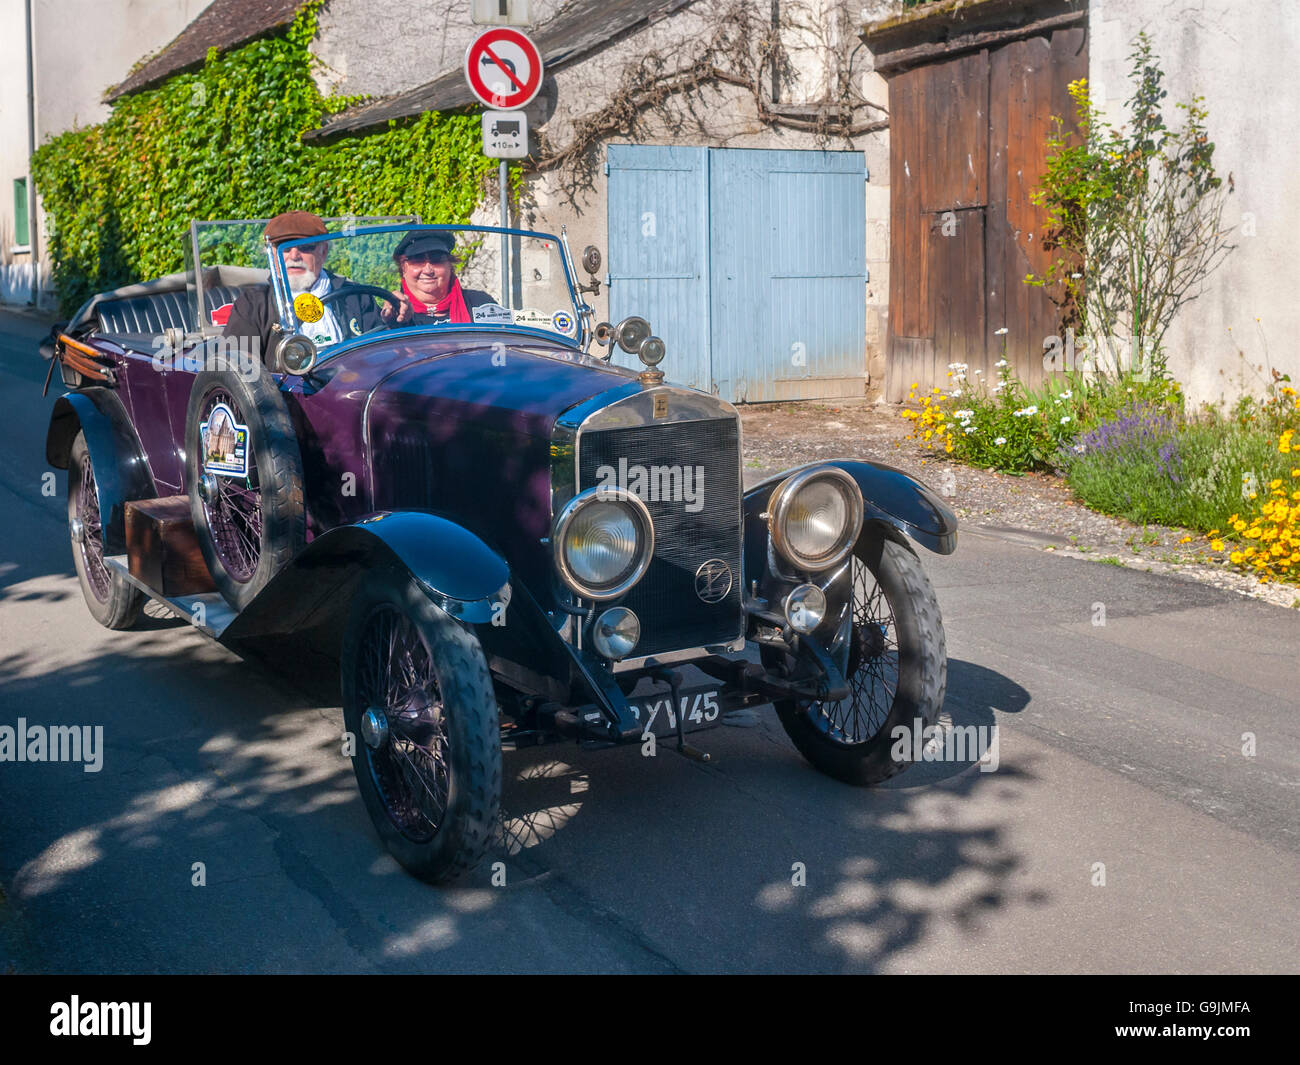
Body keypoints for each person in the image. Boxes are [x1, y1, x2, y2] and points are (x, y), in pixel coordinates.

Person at [223, 211, 384, 360]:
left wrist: (399, 319)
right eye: (283, 248)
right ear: (272, 254)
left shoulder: (355, 295)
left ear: (323, 251)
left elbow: (384, 355)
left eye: (305, 246)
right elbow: (239, 372)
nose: (294, 256)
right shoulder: (251, 305)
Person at [383, 230, 497, 325]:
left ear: (449, 265)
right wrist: (392, 321)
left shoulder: (481, 304)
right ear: (403, 268)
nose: (428, 270)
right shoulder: (396, 315)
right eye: (417, 260)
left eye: (437, 259)